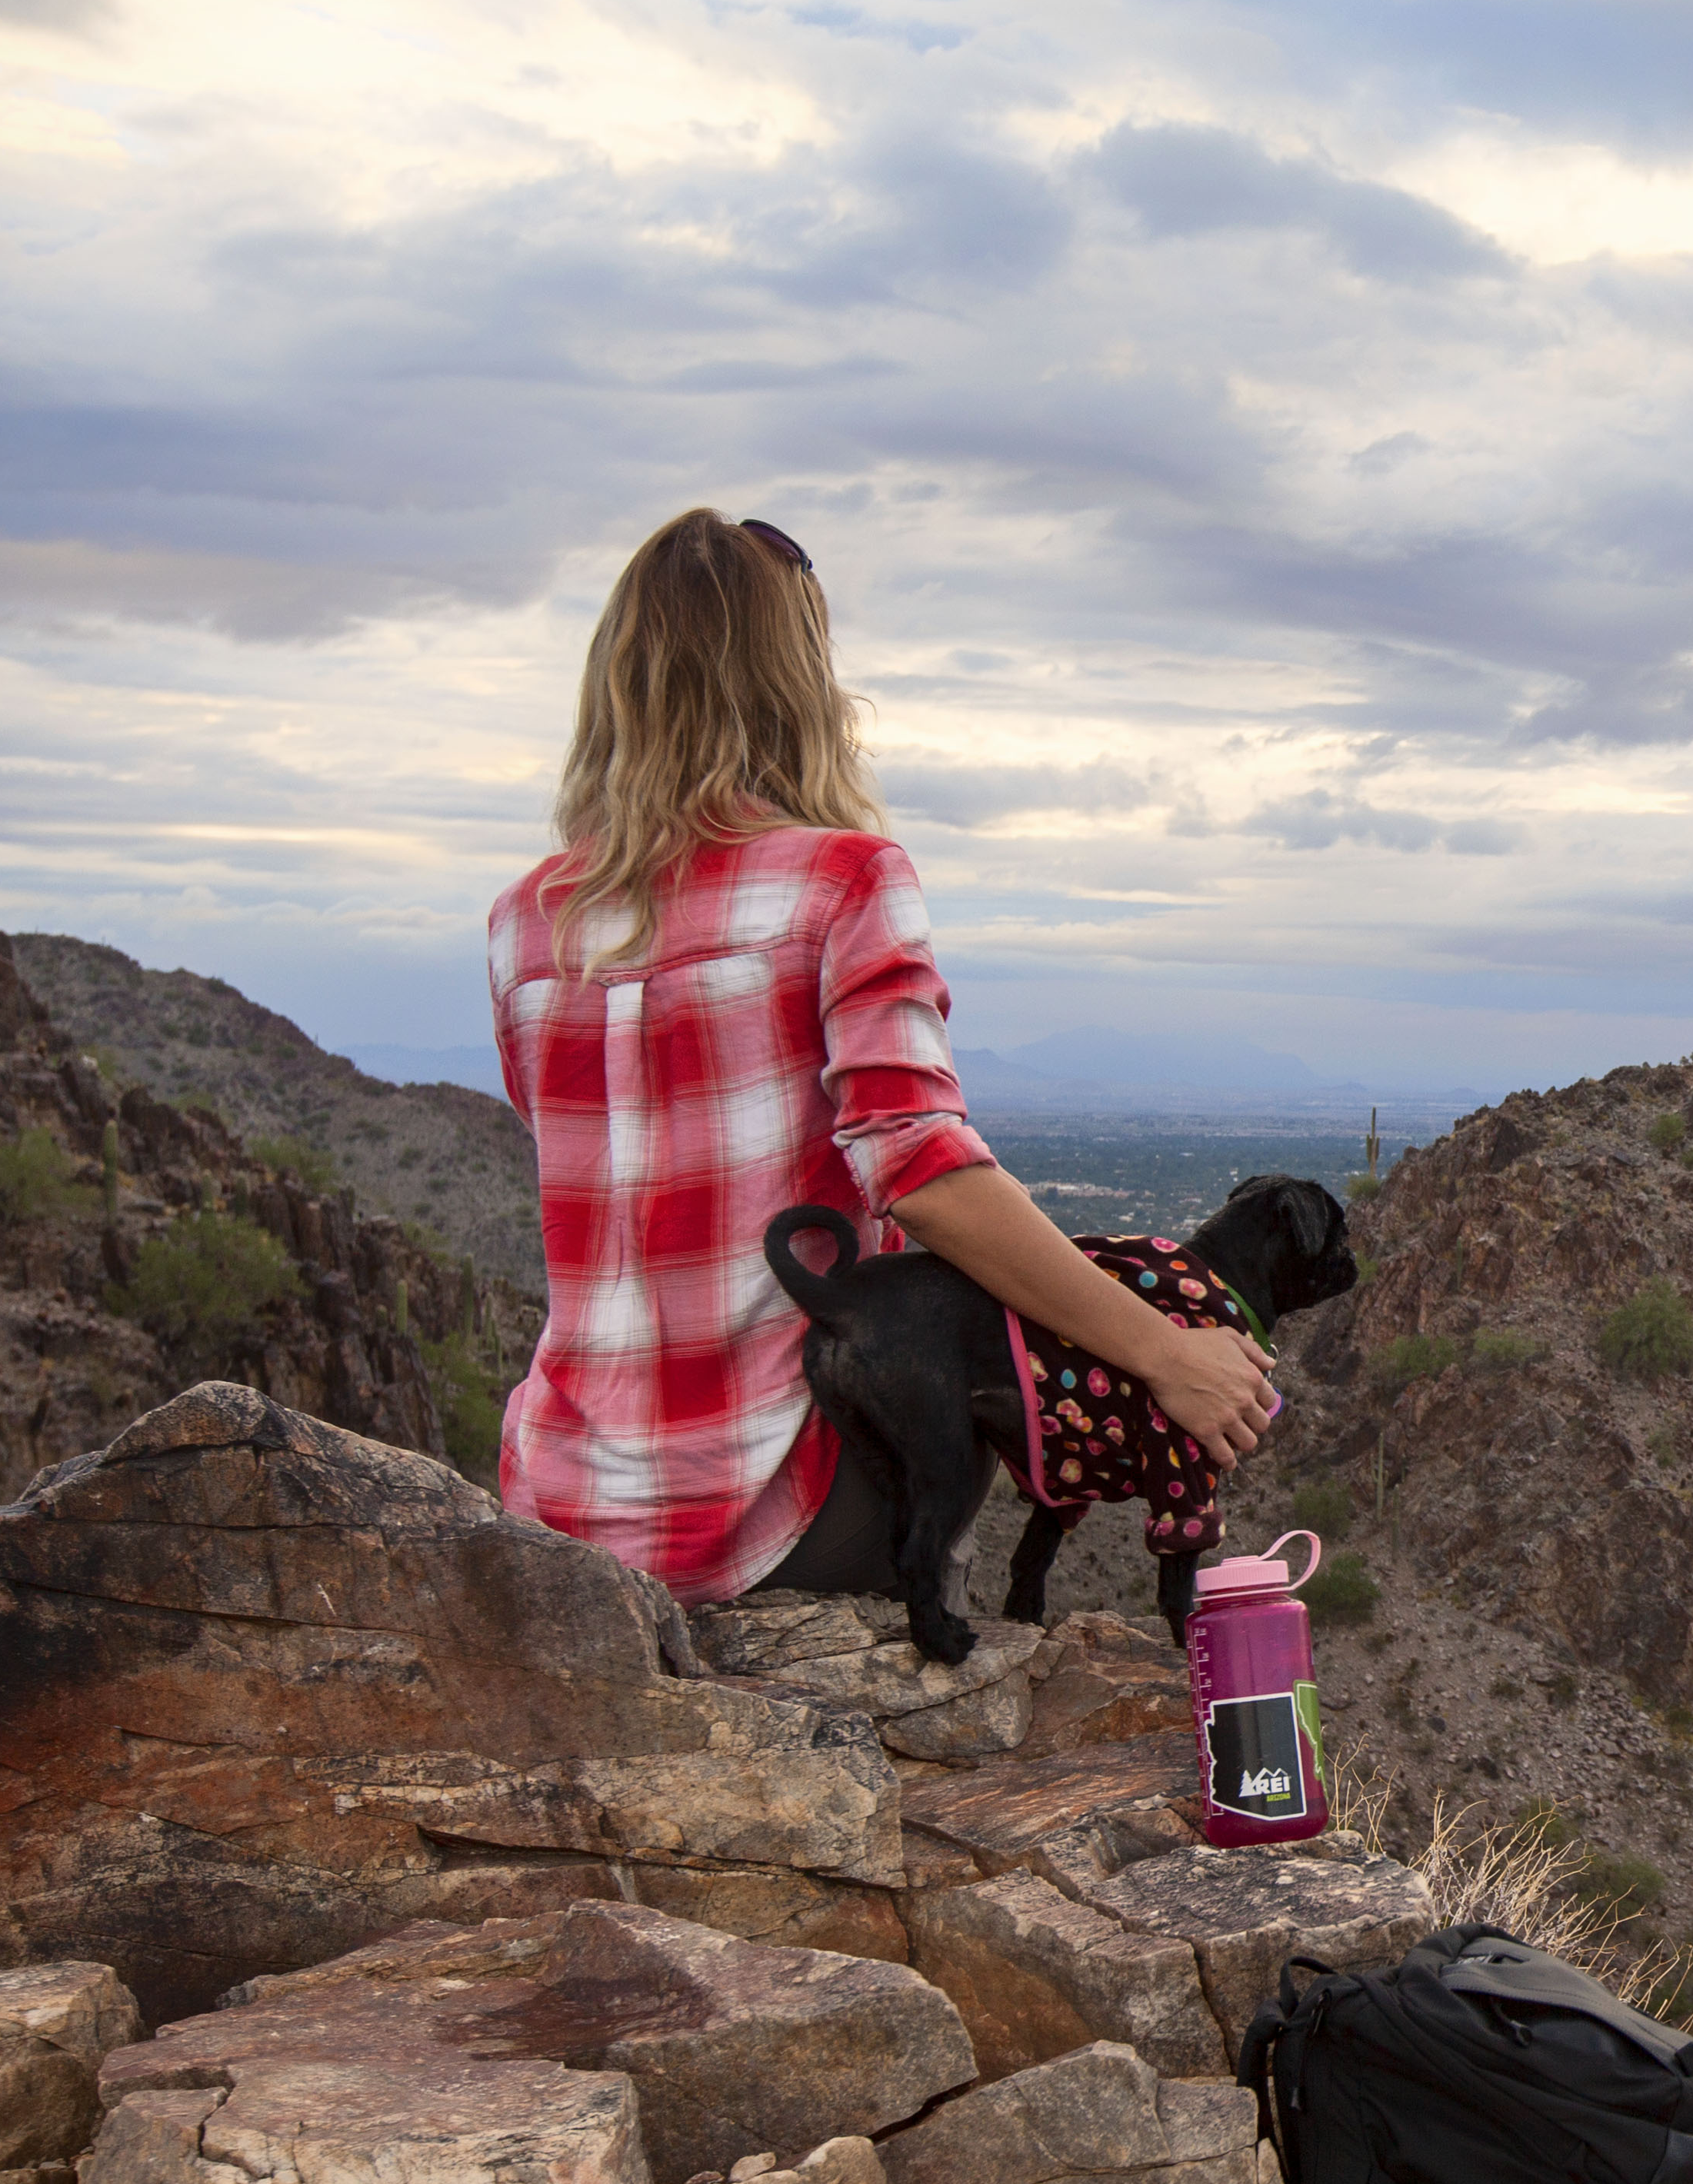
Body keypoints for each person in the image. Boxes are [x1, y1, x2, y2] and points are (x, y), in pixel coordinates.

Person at [488, 507, 1271, 1602]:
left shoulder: (528, 921)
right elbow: (921, 1167)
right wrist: (1165, 1352)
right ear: (795, 681)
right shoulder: (843, 879)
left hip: (558, 1507)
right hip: (768, 1514)